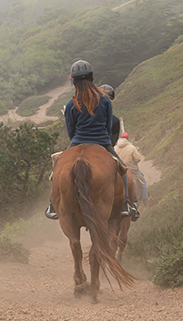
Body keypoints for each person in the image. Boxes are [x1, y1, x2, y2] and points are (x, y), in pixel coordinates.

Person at [45, 60, 137, 221]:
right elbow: (108, 125)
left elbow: (70, 132)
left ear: (73, 80)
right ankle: (126, 204)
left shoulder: (71, 104)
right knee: (122, 168)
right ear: (92, 78)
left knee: (57, 169)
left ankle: (53, 205)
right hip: (103, 142)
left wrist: (79, 140)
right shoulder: (105, 100)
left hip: (77, 142)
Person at [116, 131, 148, 203]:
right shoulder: (131, 147)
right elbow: (138, 159)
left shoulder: (115, 148)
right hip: (131, 170)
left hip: (118, 170)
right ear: (127, 138)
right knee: (142, 180)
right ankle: (145, 198)